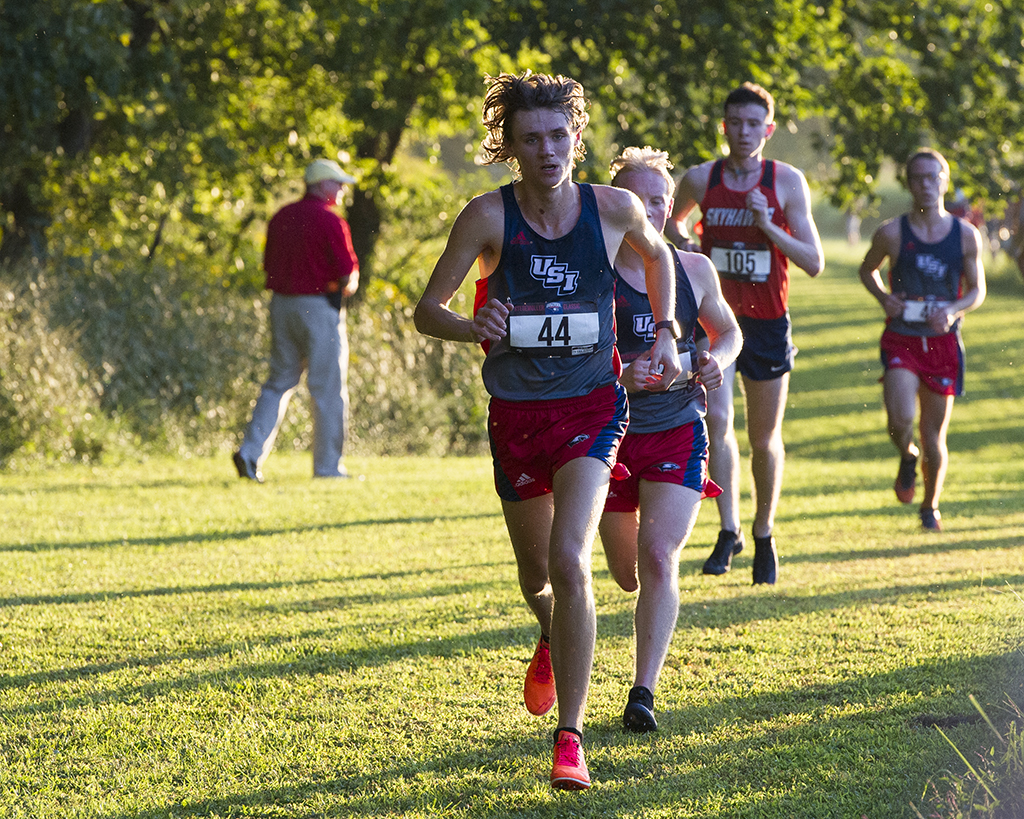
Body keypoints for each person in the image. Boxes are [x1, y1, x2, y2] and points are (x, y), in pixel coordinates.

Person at [414, 71, 682, 791]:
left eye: (559, 135)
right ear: (508, 146)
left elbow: (659, 258)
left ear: (576, 138)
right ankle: (549, 631)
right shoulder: (487, 217)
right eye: (531, 139)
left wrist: (664, 333)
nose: (548, 150)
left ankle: (571, 736)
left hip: (592, 408)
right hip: (517, 417)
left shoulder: (616, 207)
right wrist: (475, 324)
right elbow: (425, 310)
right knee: (538, 578)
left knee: (572, 558)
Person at [599, 147, 741, 732]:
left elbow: (728, 332)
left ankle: (643, 693)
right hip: (607, 435)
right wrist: (617, 372)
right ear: (615, 207)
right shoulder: (592, 271)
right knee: (625, 572)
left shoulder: (694, 269)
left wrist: (714, 362)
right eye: (639, 200)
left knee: (659, 559)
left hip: (678, 427)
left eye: (660, 199)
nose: (653, 211)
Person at [665, 82, 824, 584]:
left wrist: (768, 225)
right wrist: (691, 250)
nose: (743, 132)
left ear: (768, 129)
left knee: (763, 437)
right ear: (724, 125)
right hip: (714, 322)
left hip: (767, 322)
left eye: (754, 124)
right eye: (735, 122)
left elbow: (814, 262)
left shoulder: (785, 182)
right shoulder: (701, 178)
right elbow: (670, 223)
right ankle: (728, 529)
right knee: (718, 424)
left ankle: (763, 533)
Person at [858, 148, 985, 530]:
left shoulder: (966, 236)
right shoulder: (892, 232)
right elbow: (868, 271)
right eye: (918, 178)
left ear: (945, 181)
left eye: (934, 177)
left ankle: (930, 506)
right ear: (909, 184)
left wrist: (954, 309)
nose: (926, 185)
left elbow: (977, 290)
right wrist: (885, 299)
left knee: (934, 435)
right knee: (900, 419)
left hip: (943, 344)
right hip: (902, 339)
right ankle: (906, 454)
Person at [233, 159, 359, 482]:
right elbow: (347, 275)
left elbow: (268, 265)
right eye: (336, 183)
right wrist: (346, 286)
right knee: (327, 389)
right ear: (320, 185)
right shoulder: (331, 221)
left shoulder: (281, 217)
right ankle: (328, 468)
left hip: (281, 306)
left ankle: (250, 452)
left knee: (279, 382)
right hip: (318, 307)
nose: (342, 189)